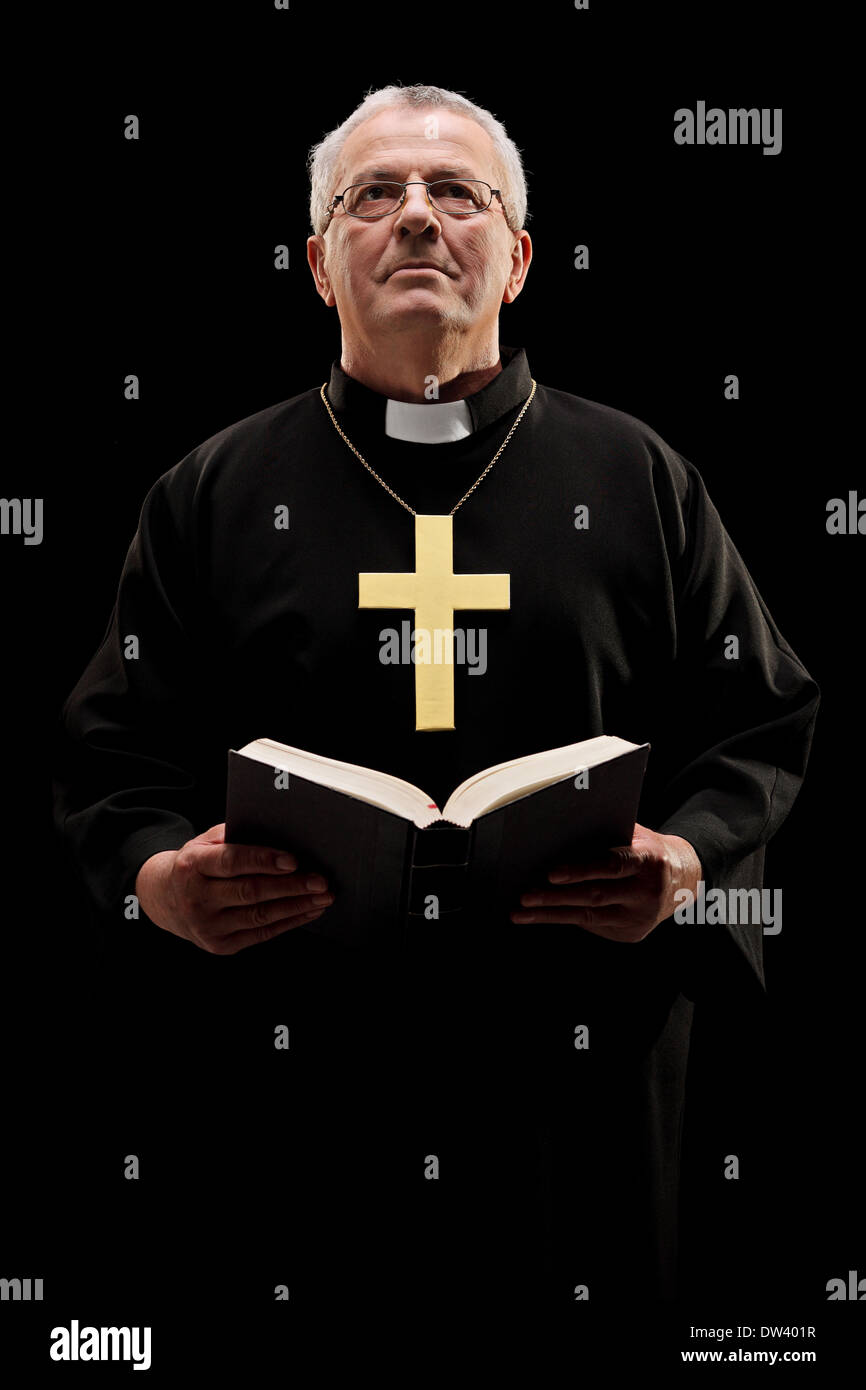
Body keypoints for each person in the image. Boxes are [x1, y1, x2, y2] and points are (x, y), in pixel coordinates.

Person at [52, 83, 819, 1309]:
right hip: (294, 1085)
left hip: (578, 1086)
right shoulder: (210, 491)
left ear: (515, 258)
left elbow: (761, 718)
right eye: (374, 195)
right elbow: (111, 755)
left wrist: (680, 858)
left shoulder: (637, 476)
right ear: (318, 263)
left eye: (454, 192)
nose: (415, 218)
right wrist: (159, 882)